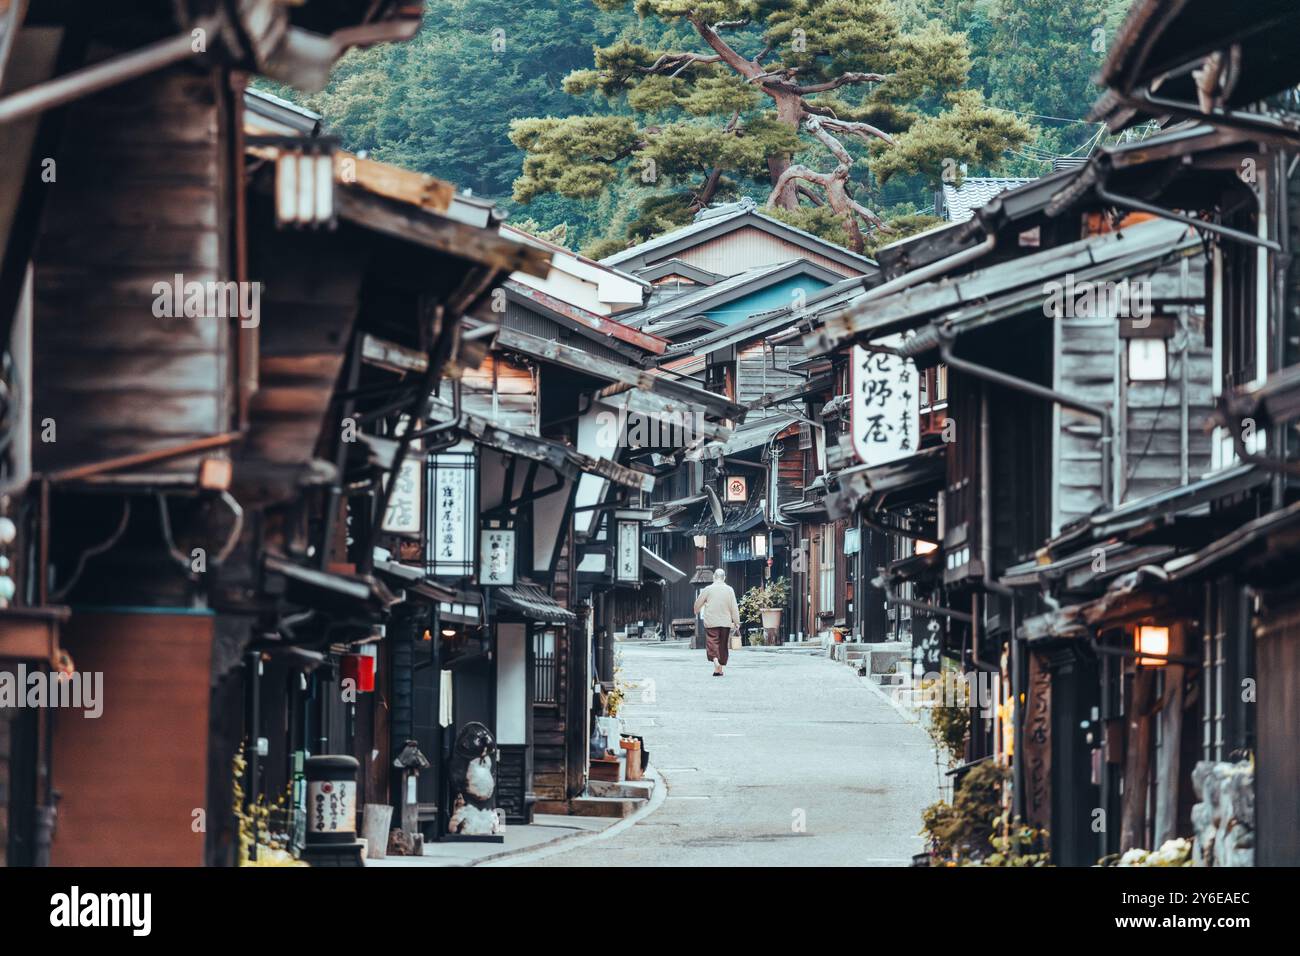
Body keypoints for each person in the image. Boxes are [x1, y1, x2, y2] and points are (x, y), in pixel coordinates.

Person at [693, 567, 740, 677]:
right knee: (723, 645)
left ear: (714, 577)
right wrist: (736, 621)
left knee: (712, 643)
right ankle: (719, 669)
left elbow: (698, 602)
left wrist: (696, 610)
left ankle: (716, 663)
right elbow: (734, 607)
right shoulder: (729, 589)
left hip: (711, 621)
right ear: (724, 578)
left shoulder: (708, 589)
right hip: (725, 622)